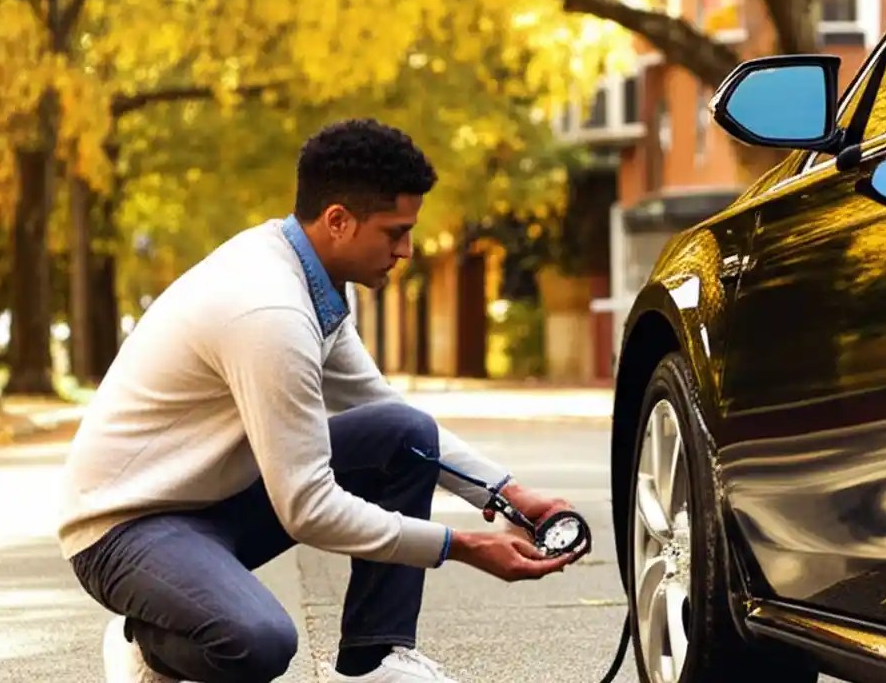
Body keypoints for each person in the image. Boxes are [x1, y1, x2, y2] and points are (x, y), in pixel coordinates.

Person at [58, 119, 581, 683]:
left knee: (404, 434)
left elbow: (383, 411)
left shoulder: (311, 281)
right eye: (395, 232)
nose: (406, 250)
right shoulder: (270, 312)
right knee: (259, 642)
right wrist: (464, 547)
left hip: (216, 502)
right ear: (338, 220)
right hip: (125, 529)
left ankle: (374, 662)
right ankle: (148, 642)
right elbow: (307, 507)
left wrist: (510, 494)